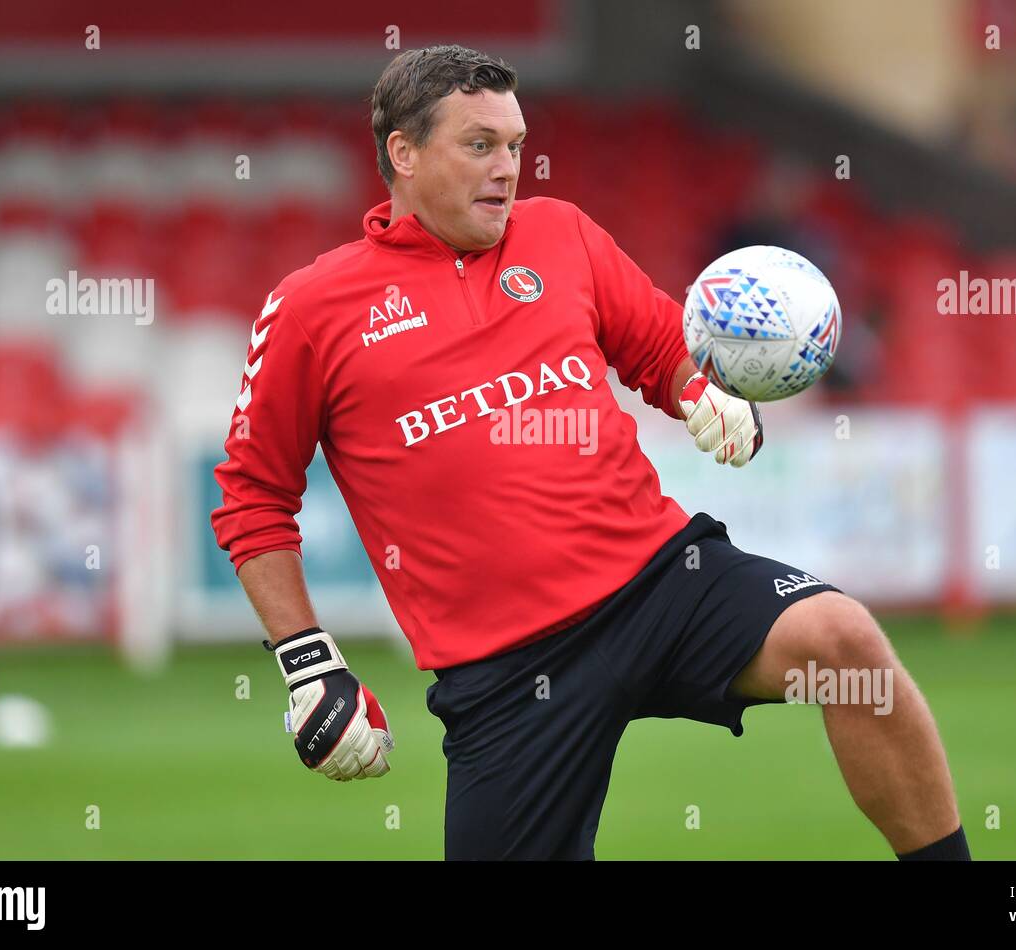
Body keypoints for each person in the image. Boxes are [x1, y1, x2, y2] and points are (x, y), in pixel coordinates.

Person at [211, 44, 969, 861]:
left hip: (660, 587)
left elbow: (659, 345)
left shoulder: (560, 232)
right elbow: (254, 494)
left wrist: (702, 394)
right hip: (504, 673)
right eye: (479, 145)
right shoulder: (313, 308)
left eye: (514, 144)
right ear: (403, 152)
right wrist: (308, 663)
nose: (507, 167)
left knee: (843, 640)